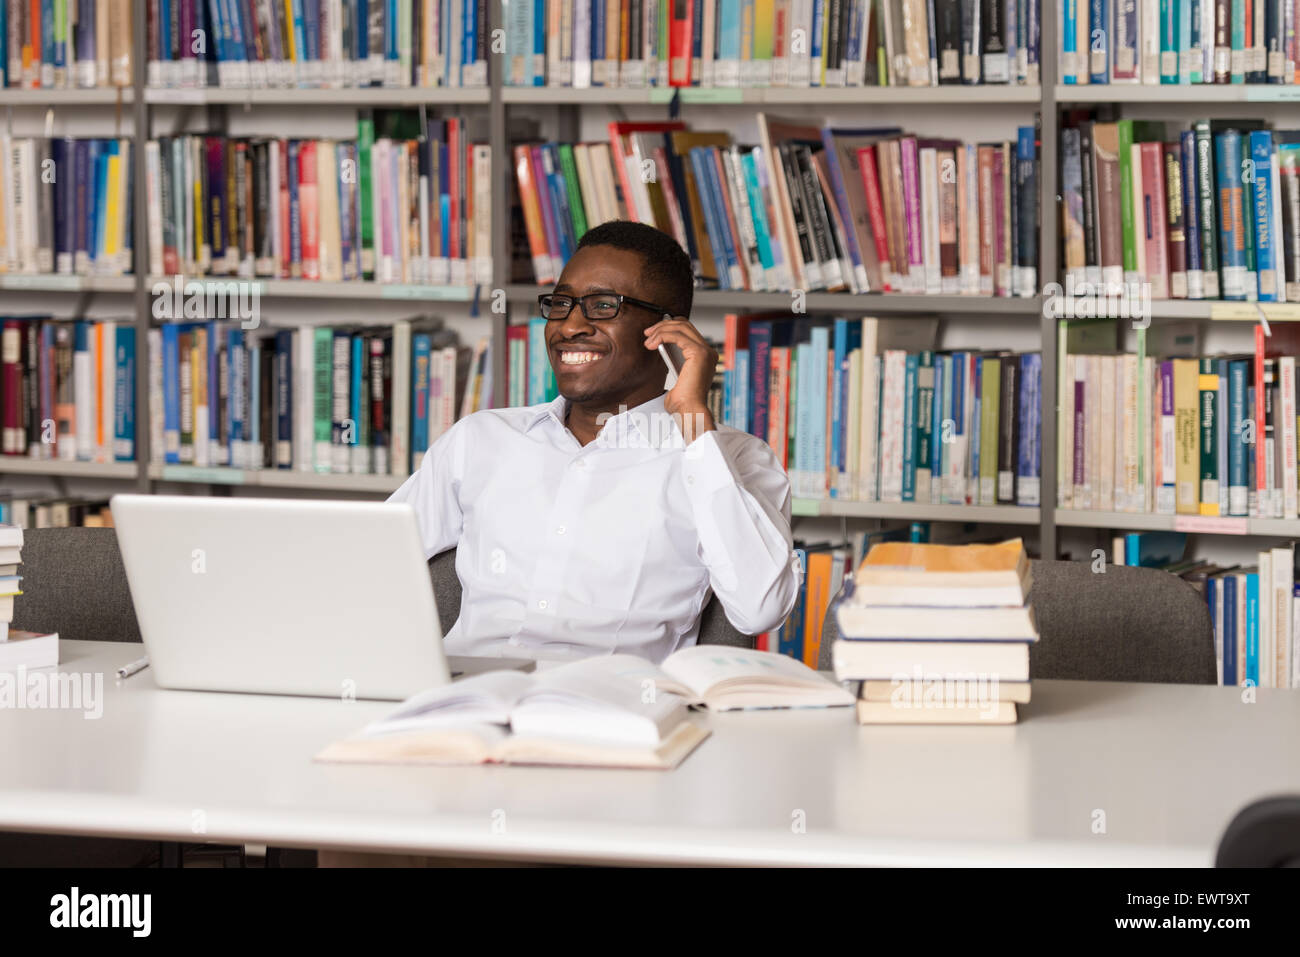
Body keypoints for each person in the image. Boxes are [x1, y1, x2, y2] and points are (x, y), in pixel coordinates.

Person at [389, 220, 801, 663]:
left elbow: (761, 608)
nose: (569, 326)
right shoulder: (480, 439)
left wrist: (694, 423)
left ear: (668, 331)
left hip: (613, 708)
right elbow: (367, 555)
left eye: (602, 306)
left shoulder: (732, 459)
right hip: (465, 697)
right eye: (561, 303)